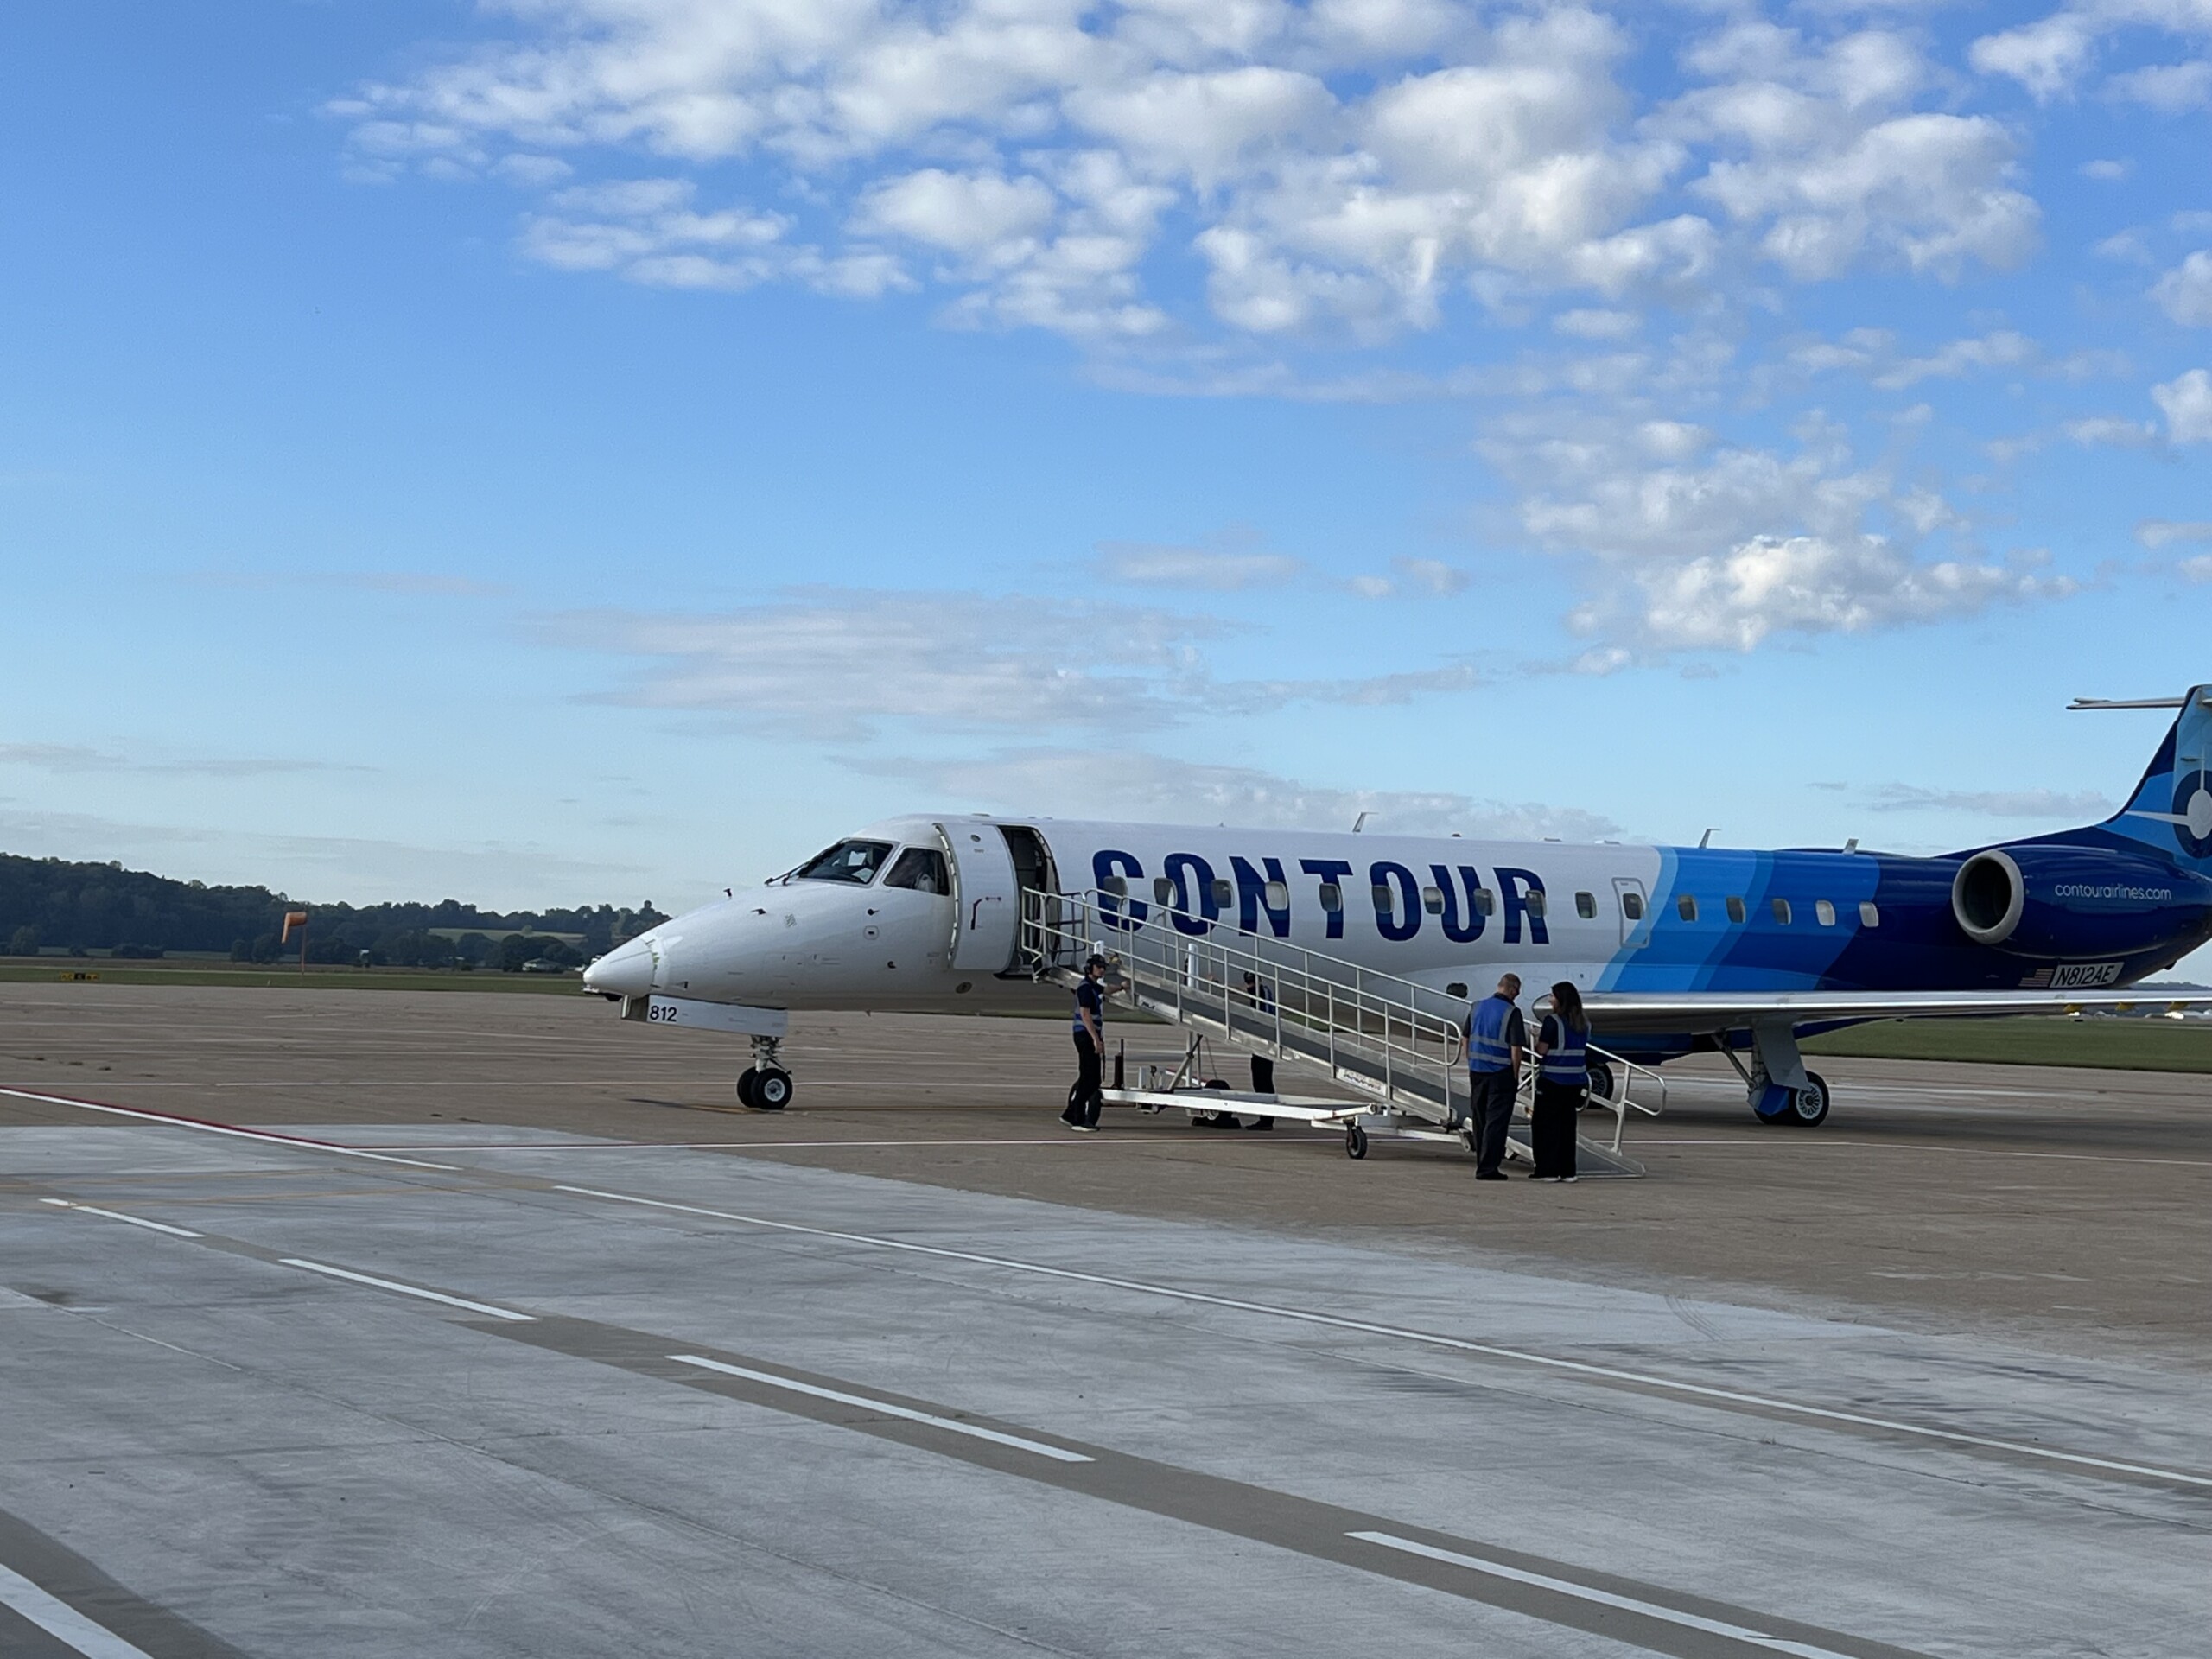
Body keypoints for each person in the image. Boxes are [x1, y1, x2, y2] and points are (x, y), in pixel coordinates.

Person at [1464, 973, 1526, 1180]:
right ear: (1511, 990)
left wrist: (1471, 1061)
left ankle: (1481, 1161)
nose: (1516, 997)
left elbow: (1465, 1037)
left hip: (1477, 1071)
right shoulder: (1512, 1012)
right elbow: (1516, 1048)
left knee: (1480, 1119)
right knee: (1496, 1122)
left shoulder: (1476, 1007)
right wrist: (1515, 1075)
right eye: (1516, 992)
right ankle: (1488, 1168)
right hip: (1500, 1073)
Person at [1531, 980, 1588, 1182]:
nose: (1550, 999)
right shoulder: (1584, 1023)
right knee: (1567, 1126)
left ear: (1560, 1000)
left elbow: (1543, 1050)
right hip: (1575, 1080)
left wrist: (1537, 1039)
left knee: (1546, 1126)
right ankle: (1568, 1171)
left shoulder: (1552, 1021)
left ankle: (1548, 1170)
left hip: (1553, 1079)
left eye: (1553, 996)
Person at [1062, 955, 1108, 1132]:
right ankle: (1079, 1120)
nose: (1102, 970)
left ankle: (1070, 1114)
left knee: (1089, 1077)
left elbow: (1105, 990)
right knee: (1091, 1078)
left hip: (1086, 1035)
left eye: (1103, 967)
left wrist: (1121, 987)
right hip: (1085, 1035)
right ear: (1090, 968)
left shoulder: (1092, 987)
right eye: (1099, 967)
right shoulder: (1085, 989)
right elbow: (1086, 1015)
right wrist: (1096, 1040)